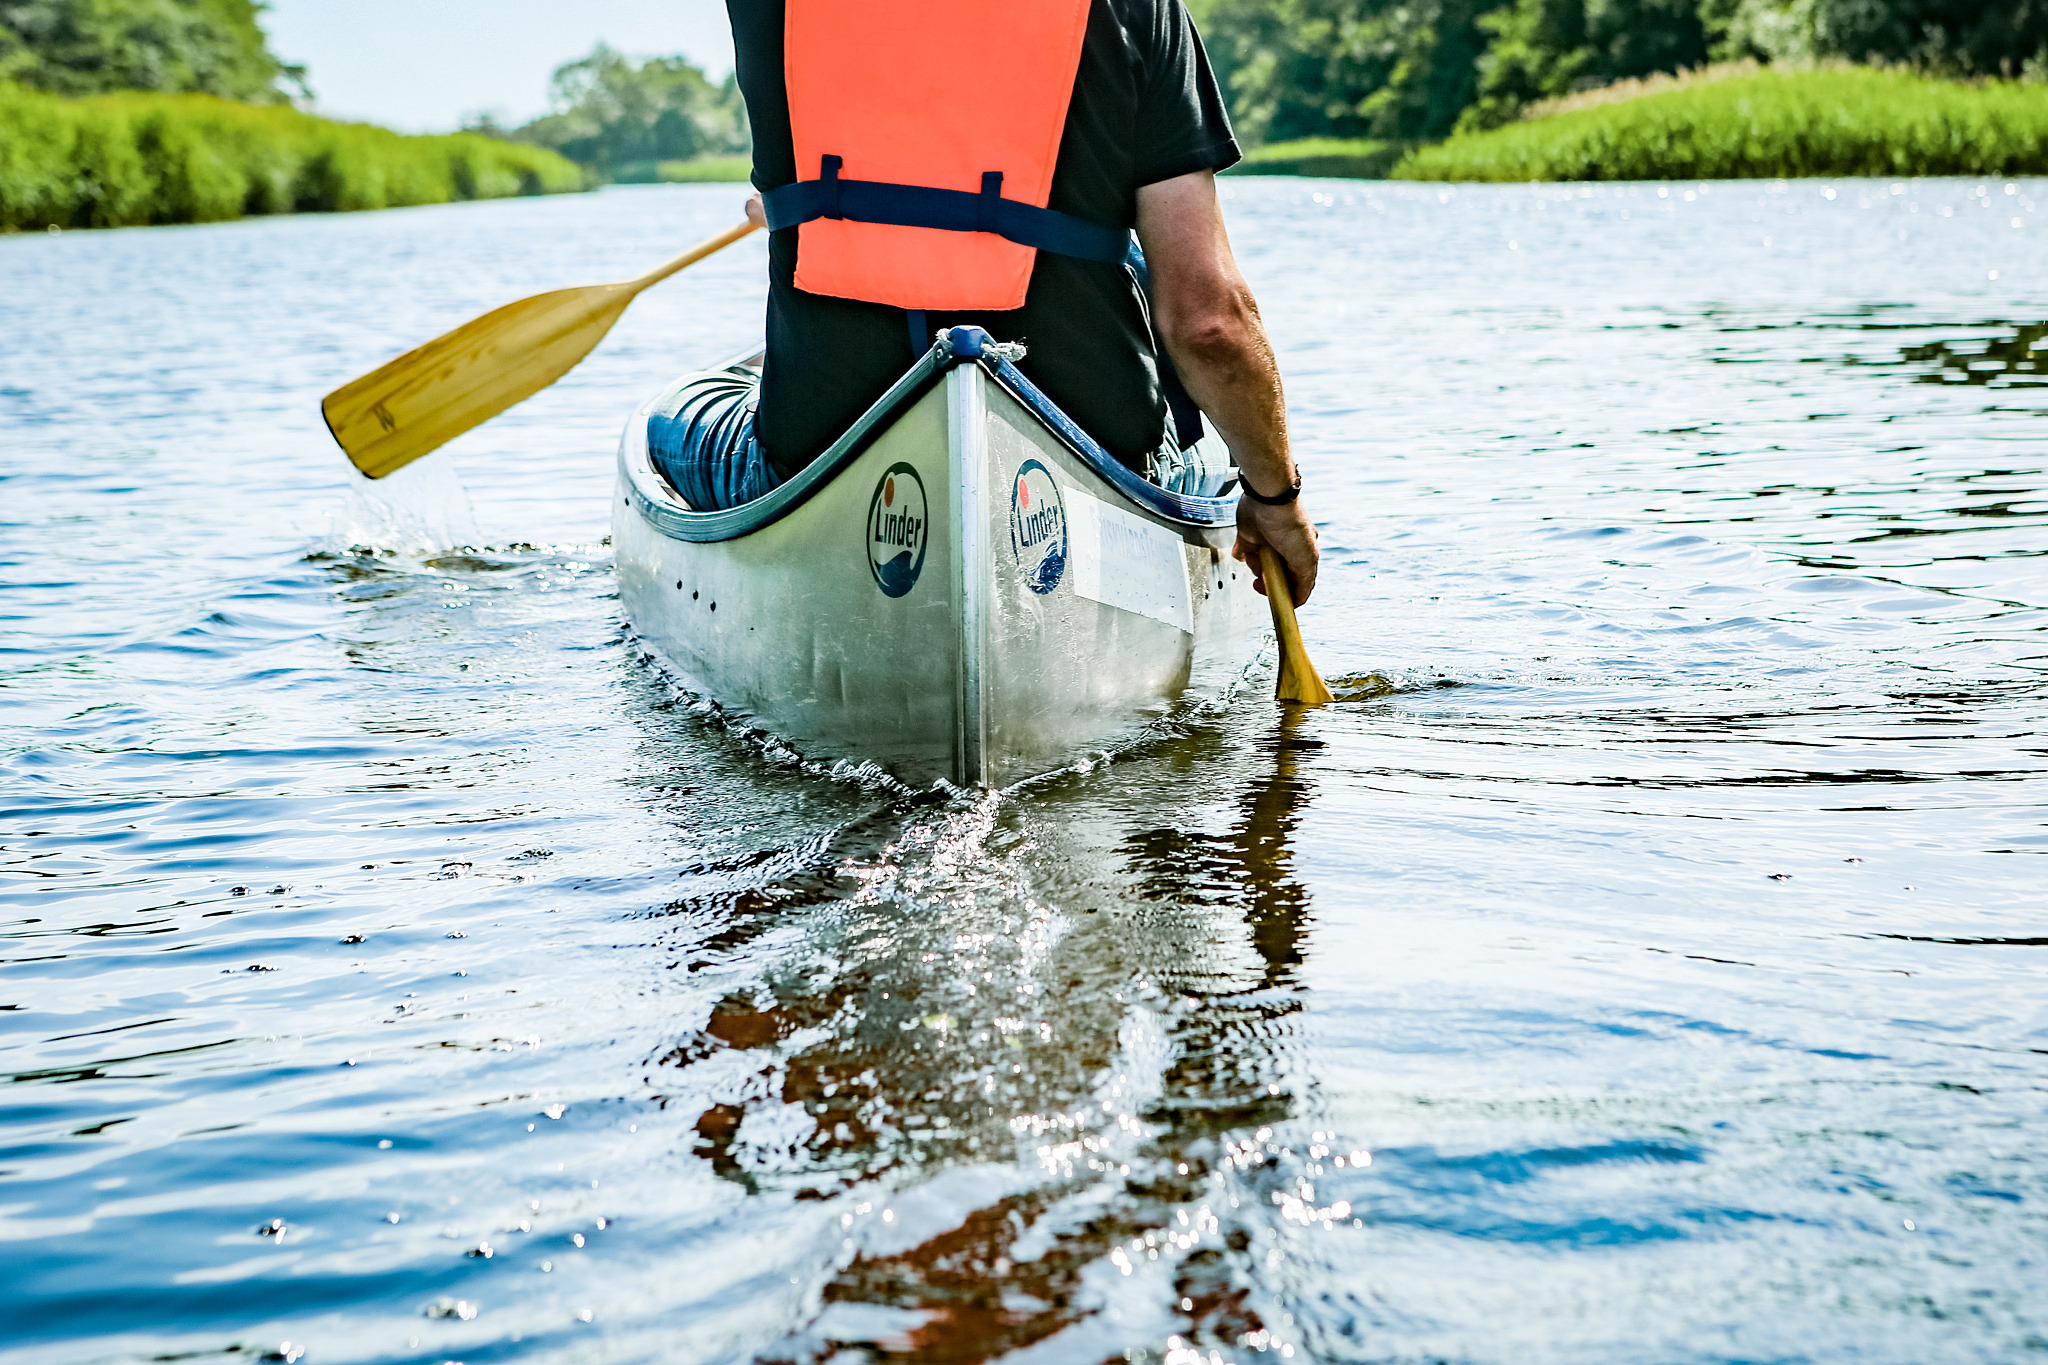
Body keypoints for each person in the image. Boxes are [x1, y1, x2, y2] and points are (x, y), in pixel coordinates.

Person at [651, 0, 1317, 603]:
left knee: (668, 420)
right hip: (1093, 445)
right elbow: (1209, 324)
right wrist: (1274, 498)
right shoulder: (1139, 10)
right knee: (1210, 442)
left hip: (822, 440)